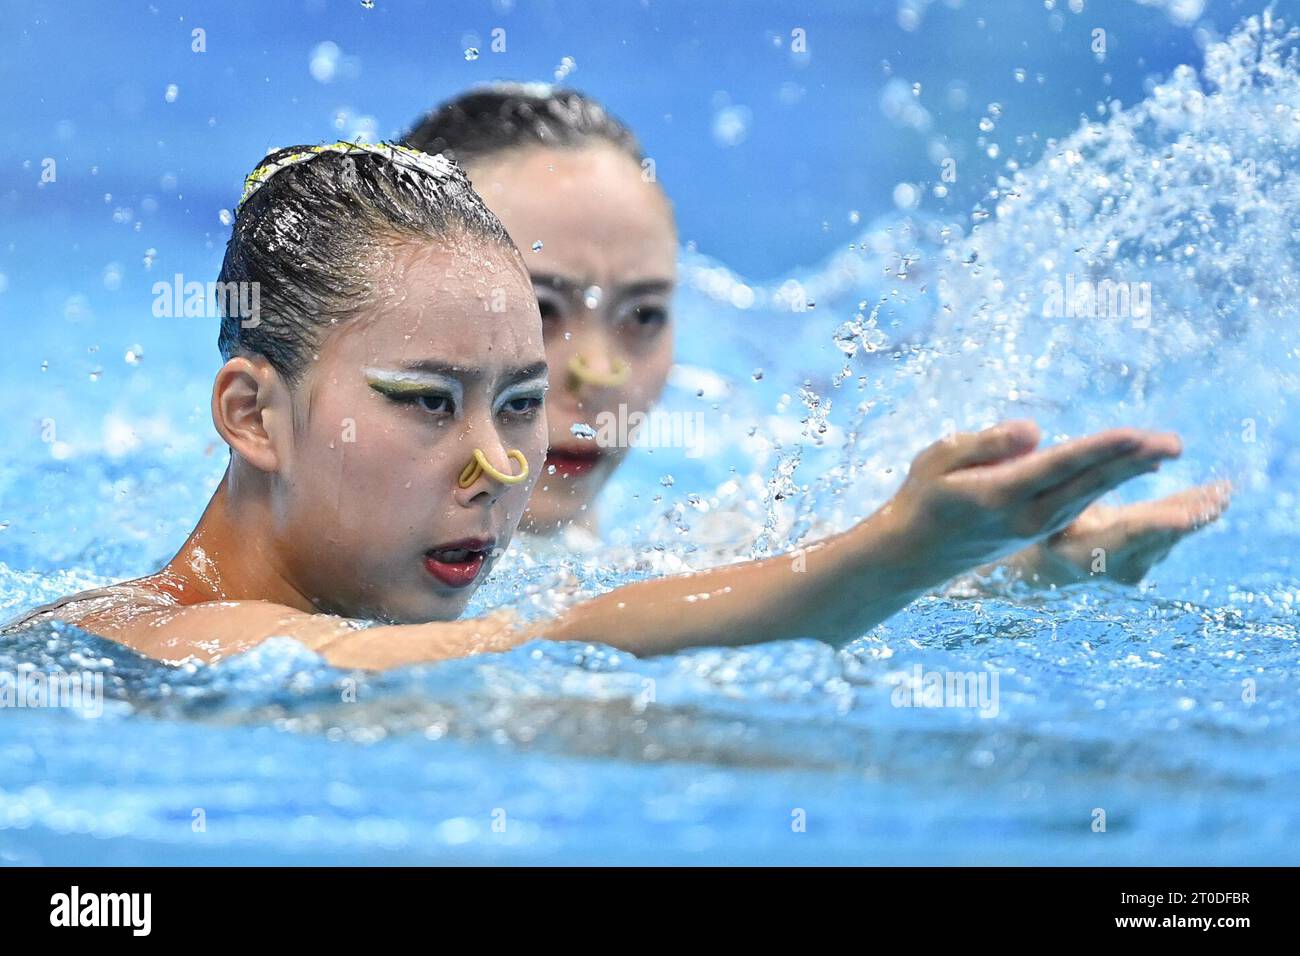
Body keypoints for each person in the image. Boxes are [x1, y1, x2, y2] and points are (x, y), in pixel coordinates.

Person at [4, 141, 1198, 669]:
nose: (497, 467)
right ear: (252, 413)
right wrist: (892, 545)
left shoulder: (381, 585)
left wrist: (989, 570)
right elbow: (553, 653)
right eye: (427, 402)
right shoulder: (165, 643)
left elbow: (684, 603)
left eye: (517, 404)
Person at [402, 84, 1228, 585]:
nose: (601, 368)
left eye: (645, 315)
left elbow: (760, 588)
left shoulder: (655, 548)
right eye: (542, 310)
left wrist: (1028, 568)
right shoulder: (318, 589)